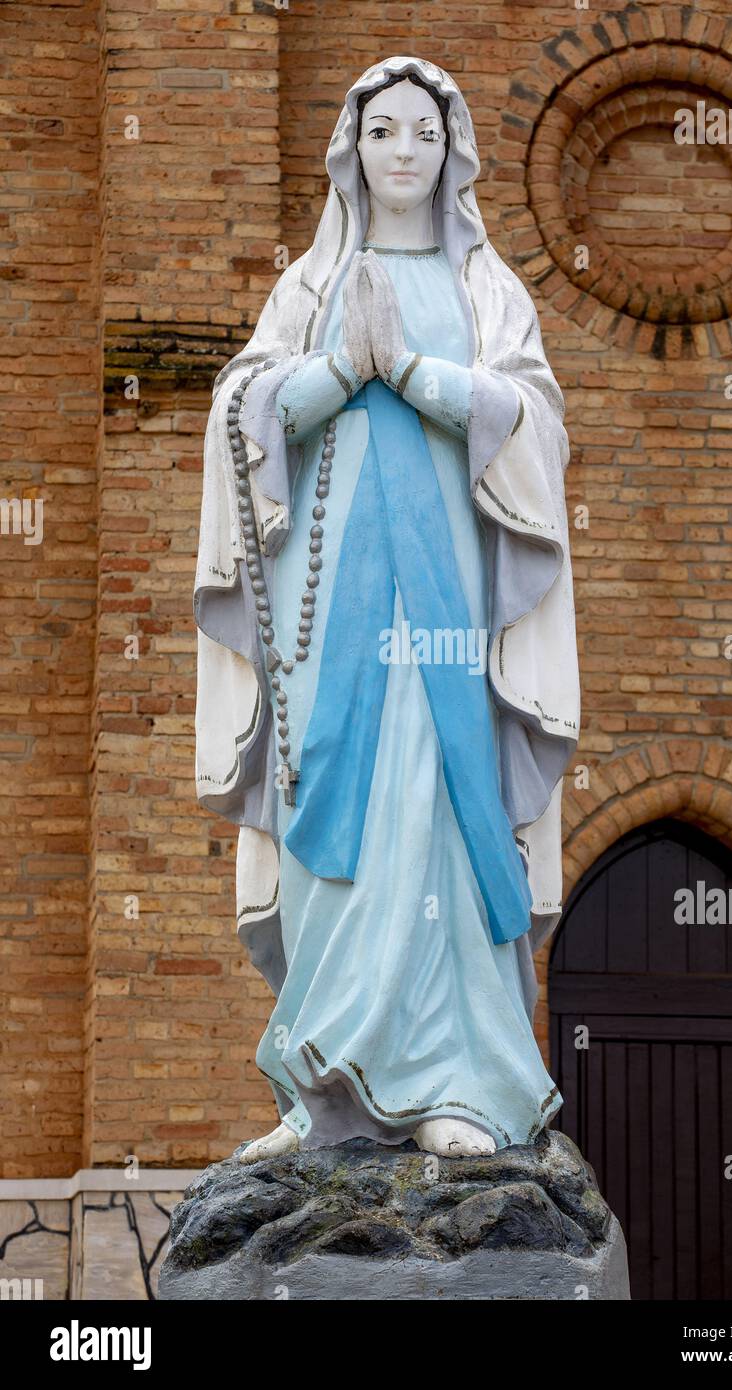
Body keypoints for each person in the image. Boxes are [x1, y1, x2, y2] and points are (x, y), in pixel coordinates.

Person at [193, 56, 580, 1160]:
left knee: (435, 803)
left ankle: (458, 1075)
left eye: (421, 133)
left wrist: (410, 373)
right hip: (328, 615)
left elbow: (535, 425)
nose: (402, 152)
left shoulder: (483, 291)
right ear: (352, 152)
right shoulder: (308, 288)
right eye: (381, 133)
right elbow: (238, 418)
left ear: (448, 151)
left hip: (450, 609)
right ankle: (321, 1084)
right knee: (337, 802)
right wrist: (331, 375)